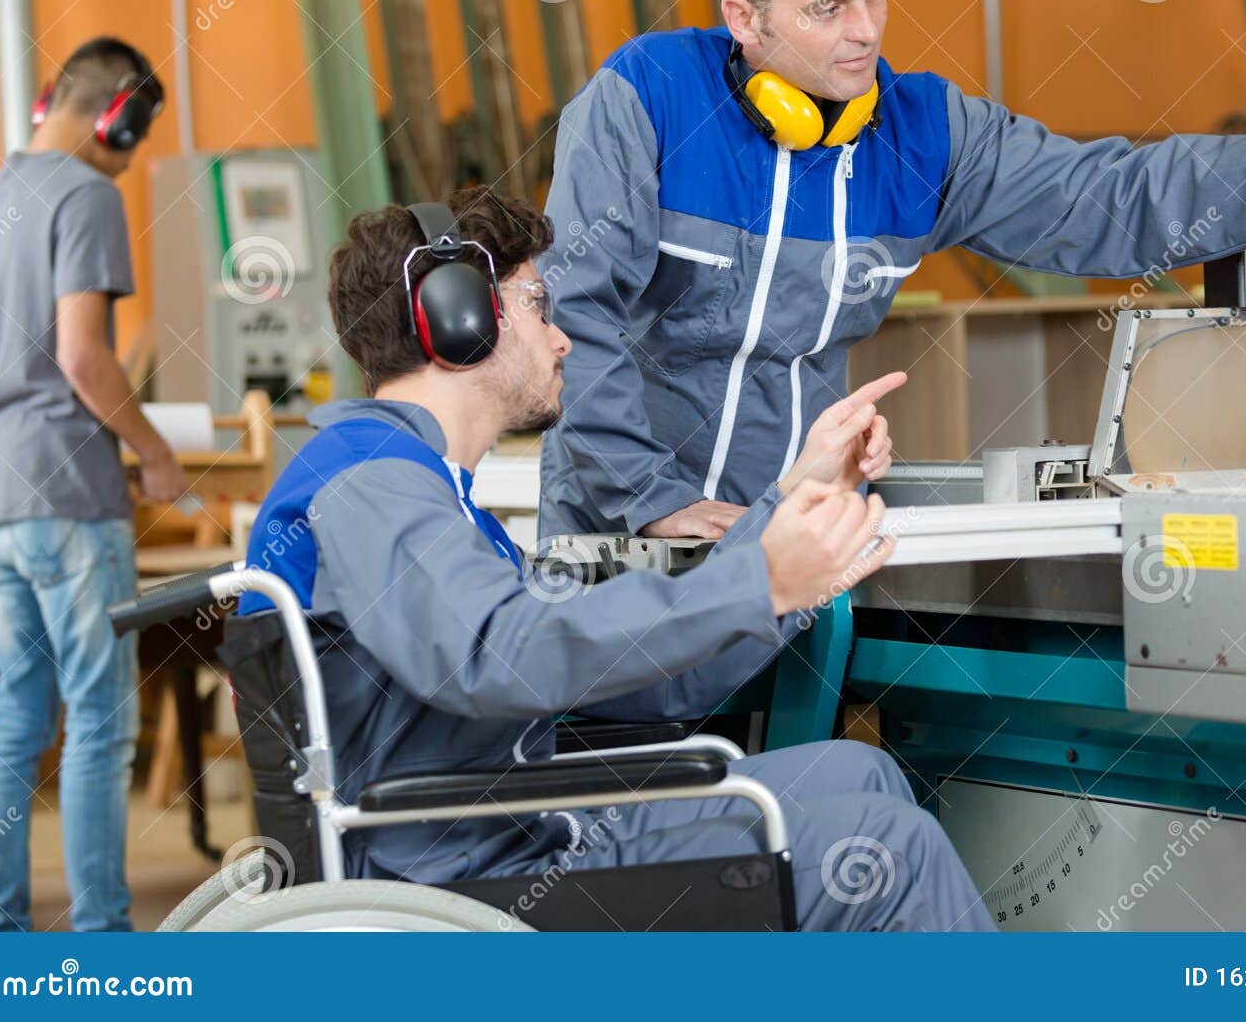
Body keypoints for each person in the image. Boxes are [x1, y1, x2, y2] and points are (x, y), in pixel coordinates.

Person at [538, 0, 1246, 541]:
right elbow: (574, 316)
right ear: (744, 21)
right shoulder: (645, 102)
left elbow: (1096, 195)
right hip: (621, 556)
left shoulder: (924, 132)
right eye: (828, 8)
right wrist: (648, 504)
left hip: (790, 548)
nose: (866, 30)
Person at [236, 186, 995, 931]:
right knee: (892, 850)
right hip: (461, 884)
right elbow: (499, 653)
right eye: (538, 304)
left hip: (520, 831)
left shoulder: (434, 497)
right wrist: (756, 580)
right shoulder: (370, 477)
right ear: (458, 320)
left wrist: (789, 504)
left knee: (860, 771)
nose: (562, 338)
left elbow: (619, 683)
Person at [0, 37, 186, 931]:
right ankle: (101, 935)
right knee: (100, 717)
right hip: (68, 496)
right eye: (134, 137)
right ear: (118, 112)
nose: (128, 162)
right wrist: (154, 451)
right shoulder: (86, 196)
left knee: (18, 710)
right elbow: (84, 357)